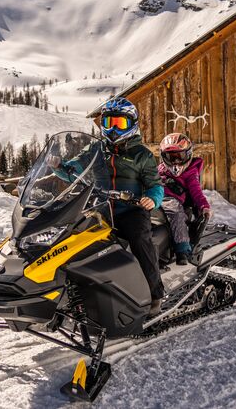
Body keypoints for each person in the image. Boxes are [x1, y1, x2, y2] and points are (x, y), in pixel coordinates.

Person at [94, 98, 166, 314]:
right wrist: (58, 167)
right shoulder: (96, 149)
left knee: (139, 239)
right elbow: (75, 167)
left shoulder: (141, 154)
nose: (114, 129)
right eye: (109, 122)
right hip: (100, 210)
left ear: (132, 124)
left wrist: (152, 199)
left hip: (131, 210)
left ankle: (155, 293)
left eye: (120, 123)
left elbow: (155, 185)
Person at [157, 133, 211, 265]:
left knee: (175, 212)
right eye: (171, 157)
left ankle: (182, 249)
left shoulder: (190, 173)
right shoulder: (160, 169)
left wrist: (204, 206)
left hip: (172, 201)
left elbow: (196, 191)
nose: (175, 162)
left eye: (179, 157)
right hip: (155, 198)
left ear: (188, 155)